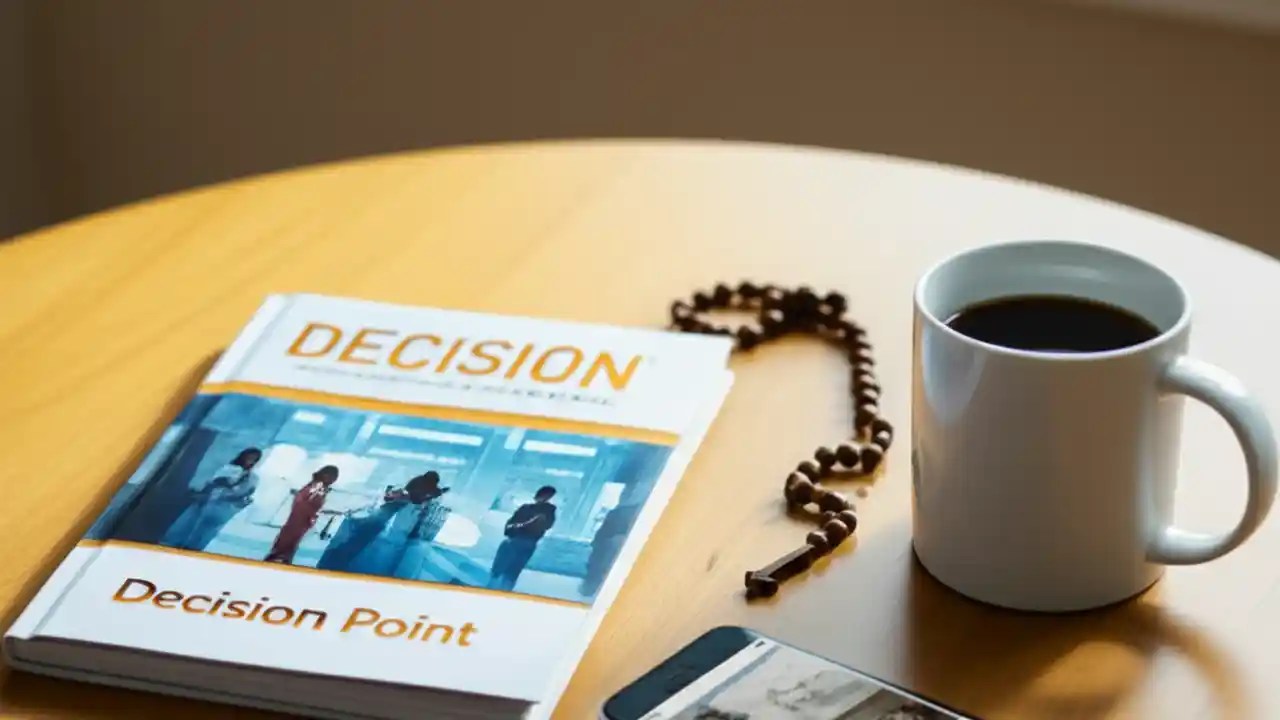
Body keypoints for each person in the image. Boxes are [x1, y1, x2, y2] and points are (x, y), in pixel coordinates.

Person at [317, 471, 448, 571]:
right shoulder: (408, 498)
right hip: (375, 527)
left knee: (353, 546)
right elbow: (417, 498)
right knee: (354, 547)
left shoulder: (413, 489)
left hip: (374, 528)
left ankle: (338, 561)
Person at [162, 447, 262, 551]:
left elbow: (247, 492)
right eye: (249, 457)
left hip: (222, 509)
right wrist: (207, 492)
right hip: (206, 502)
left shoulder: (252, 478)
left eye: (254, 459)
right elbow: (215, 482)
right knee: (184, 527)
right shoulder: (227, 468)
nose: (250, 460)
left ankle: (192, 550)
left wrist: (241, 498)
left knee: (203, 533)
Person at [487, 485, 557, 592]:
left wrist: (519, 526)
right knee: (507, 570)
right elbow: (512, 524)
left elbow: (544, 525)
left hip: (521, 541)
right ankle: (497, 589)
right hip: (520, 541)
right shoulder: (529, 508)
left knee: (507, 570)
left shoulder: (546, 511)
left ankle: (496, 589)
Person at [265, 465, 339, 564]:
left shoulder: (318, 487)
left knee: (289, 540)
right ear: (323, 474)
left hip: (302, 520)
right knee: (289, 540)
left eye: (334, 477)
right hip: (300, 518)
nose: (331, 479)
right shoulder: (317, 487)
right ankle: (278, 559)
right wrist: (311, 514)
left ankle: (279, 558)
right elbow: (303, 501)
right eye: (330, 475)